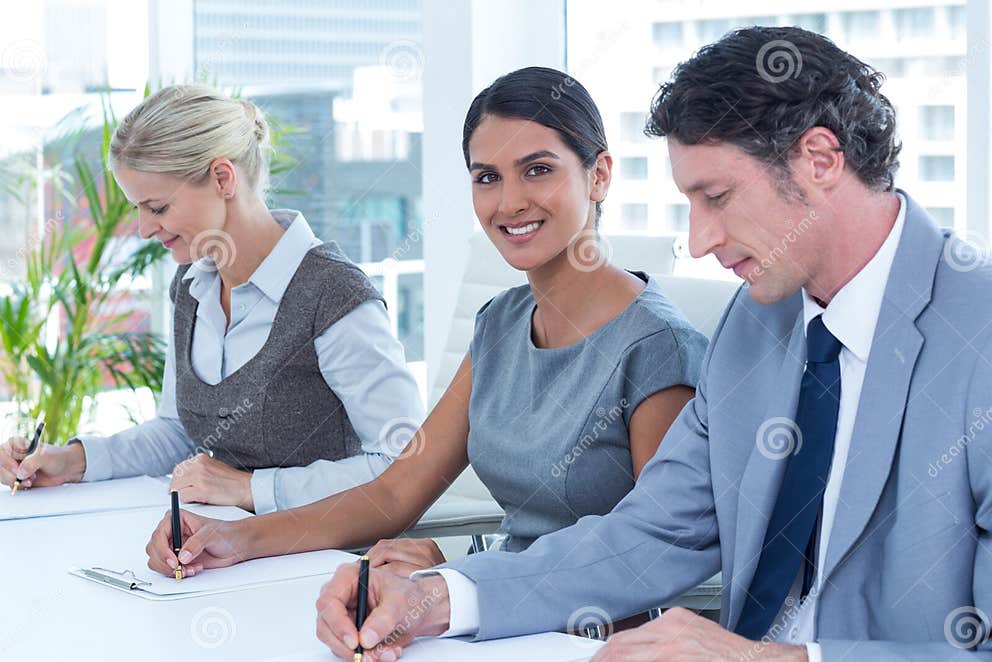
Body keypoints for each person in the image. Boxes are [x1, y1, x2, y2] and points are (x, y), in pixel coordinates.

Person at [314, 27, 992, 662]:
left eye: (716, 197)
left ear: (819, 159)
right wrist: (437, 598)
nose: (698, 240)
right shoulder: (756, 325)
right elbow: (652, 530)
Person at [143, 67, 708, 581]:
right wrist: (234, 539)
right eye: (487, 177)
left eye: (538, 170)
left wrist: (465, 577)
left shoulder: (656, 349)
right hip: (492, 615)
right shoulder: (502, 323)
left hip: (591, 633)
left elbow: (650, 553)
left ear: (599, 175)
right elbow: (395, 493)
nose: (510, 202)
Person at [0, 85, 424, 515]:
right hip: (223, 540)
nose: (144, 229)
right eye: (138, 209)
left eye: (157, 208)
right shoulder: (192, 285)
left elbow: (404, 464)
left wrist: (250, 488)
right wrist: (71, 461)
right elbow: (178, 433)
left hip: (329, 547)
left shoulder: (334, 295)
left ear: (223, 179)